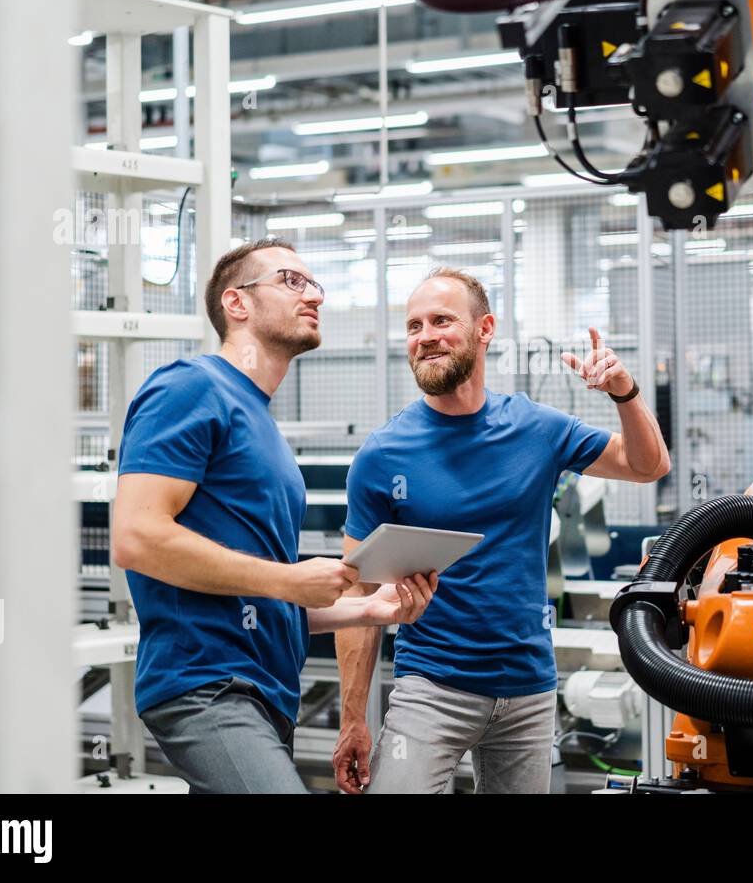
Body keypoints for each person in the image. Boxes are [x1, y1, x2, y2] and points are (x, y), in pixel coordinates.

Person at [112, 238, 437, 794]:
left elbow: (260, 603)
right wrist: (289, 578)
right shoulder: (191, 387)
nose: (312, 296)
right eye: (291, 281)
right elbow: (136, 538)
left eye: (316, 286)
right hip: (208, 688)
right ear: (236, 304)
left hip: (265, 694)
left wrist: (370, 610)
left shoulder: (262, 423)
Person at [333, 267, 669, 794]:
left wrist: (624, 392)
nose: (425, 336)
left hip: (528, 691)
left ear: (484, 329)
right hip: (431, 688)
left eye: (441, 320)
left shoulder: (537, 428)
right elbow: (357, 590)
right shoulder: (382, 455)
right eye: (414, 325)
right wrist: (352, 716)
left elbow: (647, 465)